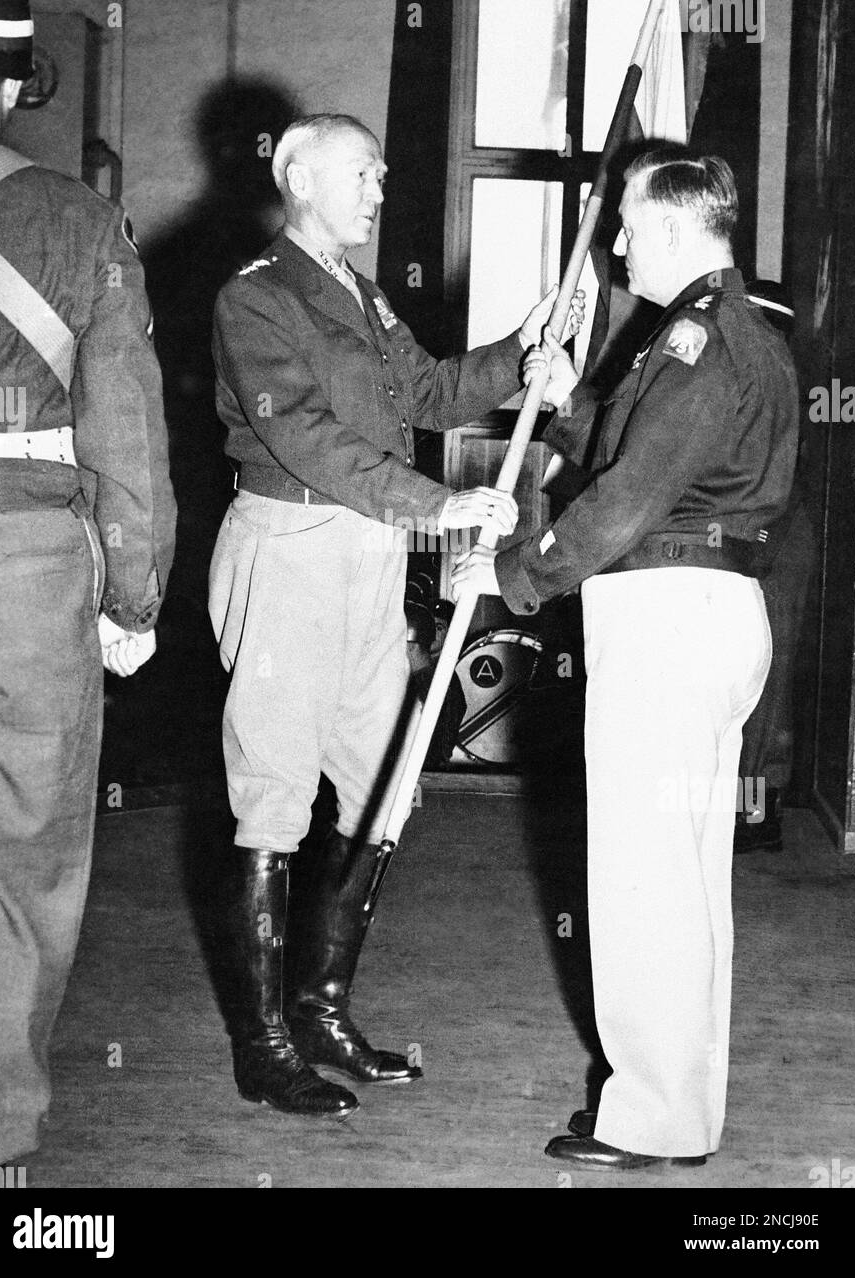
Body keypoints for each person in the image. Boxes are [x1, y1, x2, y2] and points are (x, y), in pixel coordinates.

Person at [209, 112, 579, 1118]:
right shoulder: (258, 298)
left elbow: (427, 390)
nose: (379, 188)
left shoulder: (362, 298)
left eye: (379, 171)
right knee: (275, 791)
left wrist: (524, 350)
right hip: (292, 549)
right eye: (363, 172)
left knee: (384, 782)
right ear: (301, 177)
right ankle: (266, 1041)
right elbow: (310, 440)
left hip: (368, 561)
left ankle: (323, 1008)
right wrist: (436, 505)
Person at [452, 148, 799, 1170]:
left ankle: (652, 1119)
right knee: (684, 879)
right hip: (713, 605)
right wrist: (563, 401)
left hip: (668, 610)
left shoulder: (696, 342)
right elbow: (638, 447)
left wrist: (507, 575)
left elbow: (624, 502)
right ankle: (678, 1102)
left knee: (646, 877)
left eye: (633, 228)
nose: (616, 245)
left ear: (684, 229)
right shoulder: (738, 333)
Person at [0, 0, 176, 1165]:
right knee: (16, 867)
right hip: (25, 571)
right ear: (16, 83)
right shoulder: (81, 221)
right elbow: (128, 439)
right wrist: (131, 595)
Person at [734, 280, 816, 854]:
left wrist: (754, 549)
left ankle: (756, 818)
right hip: (767, 541)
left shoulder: (773, 381)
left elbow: (778, 487)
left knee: (767, 685)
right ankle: (749, 811)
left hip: (778, 544)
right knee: (753, 681)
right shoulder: (763, 378)